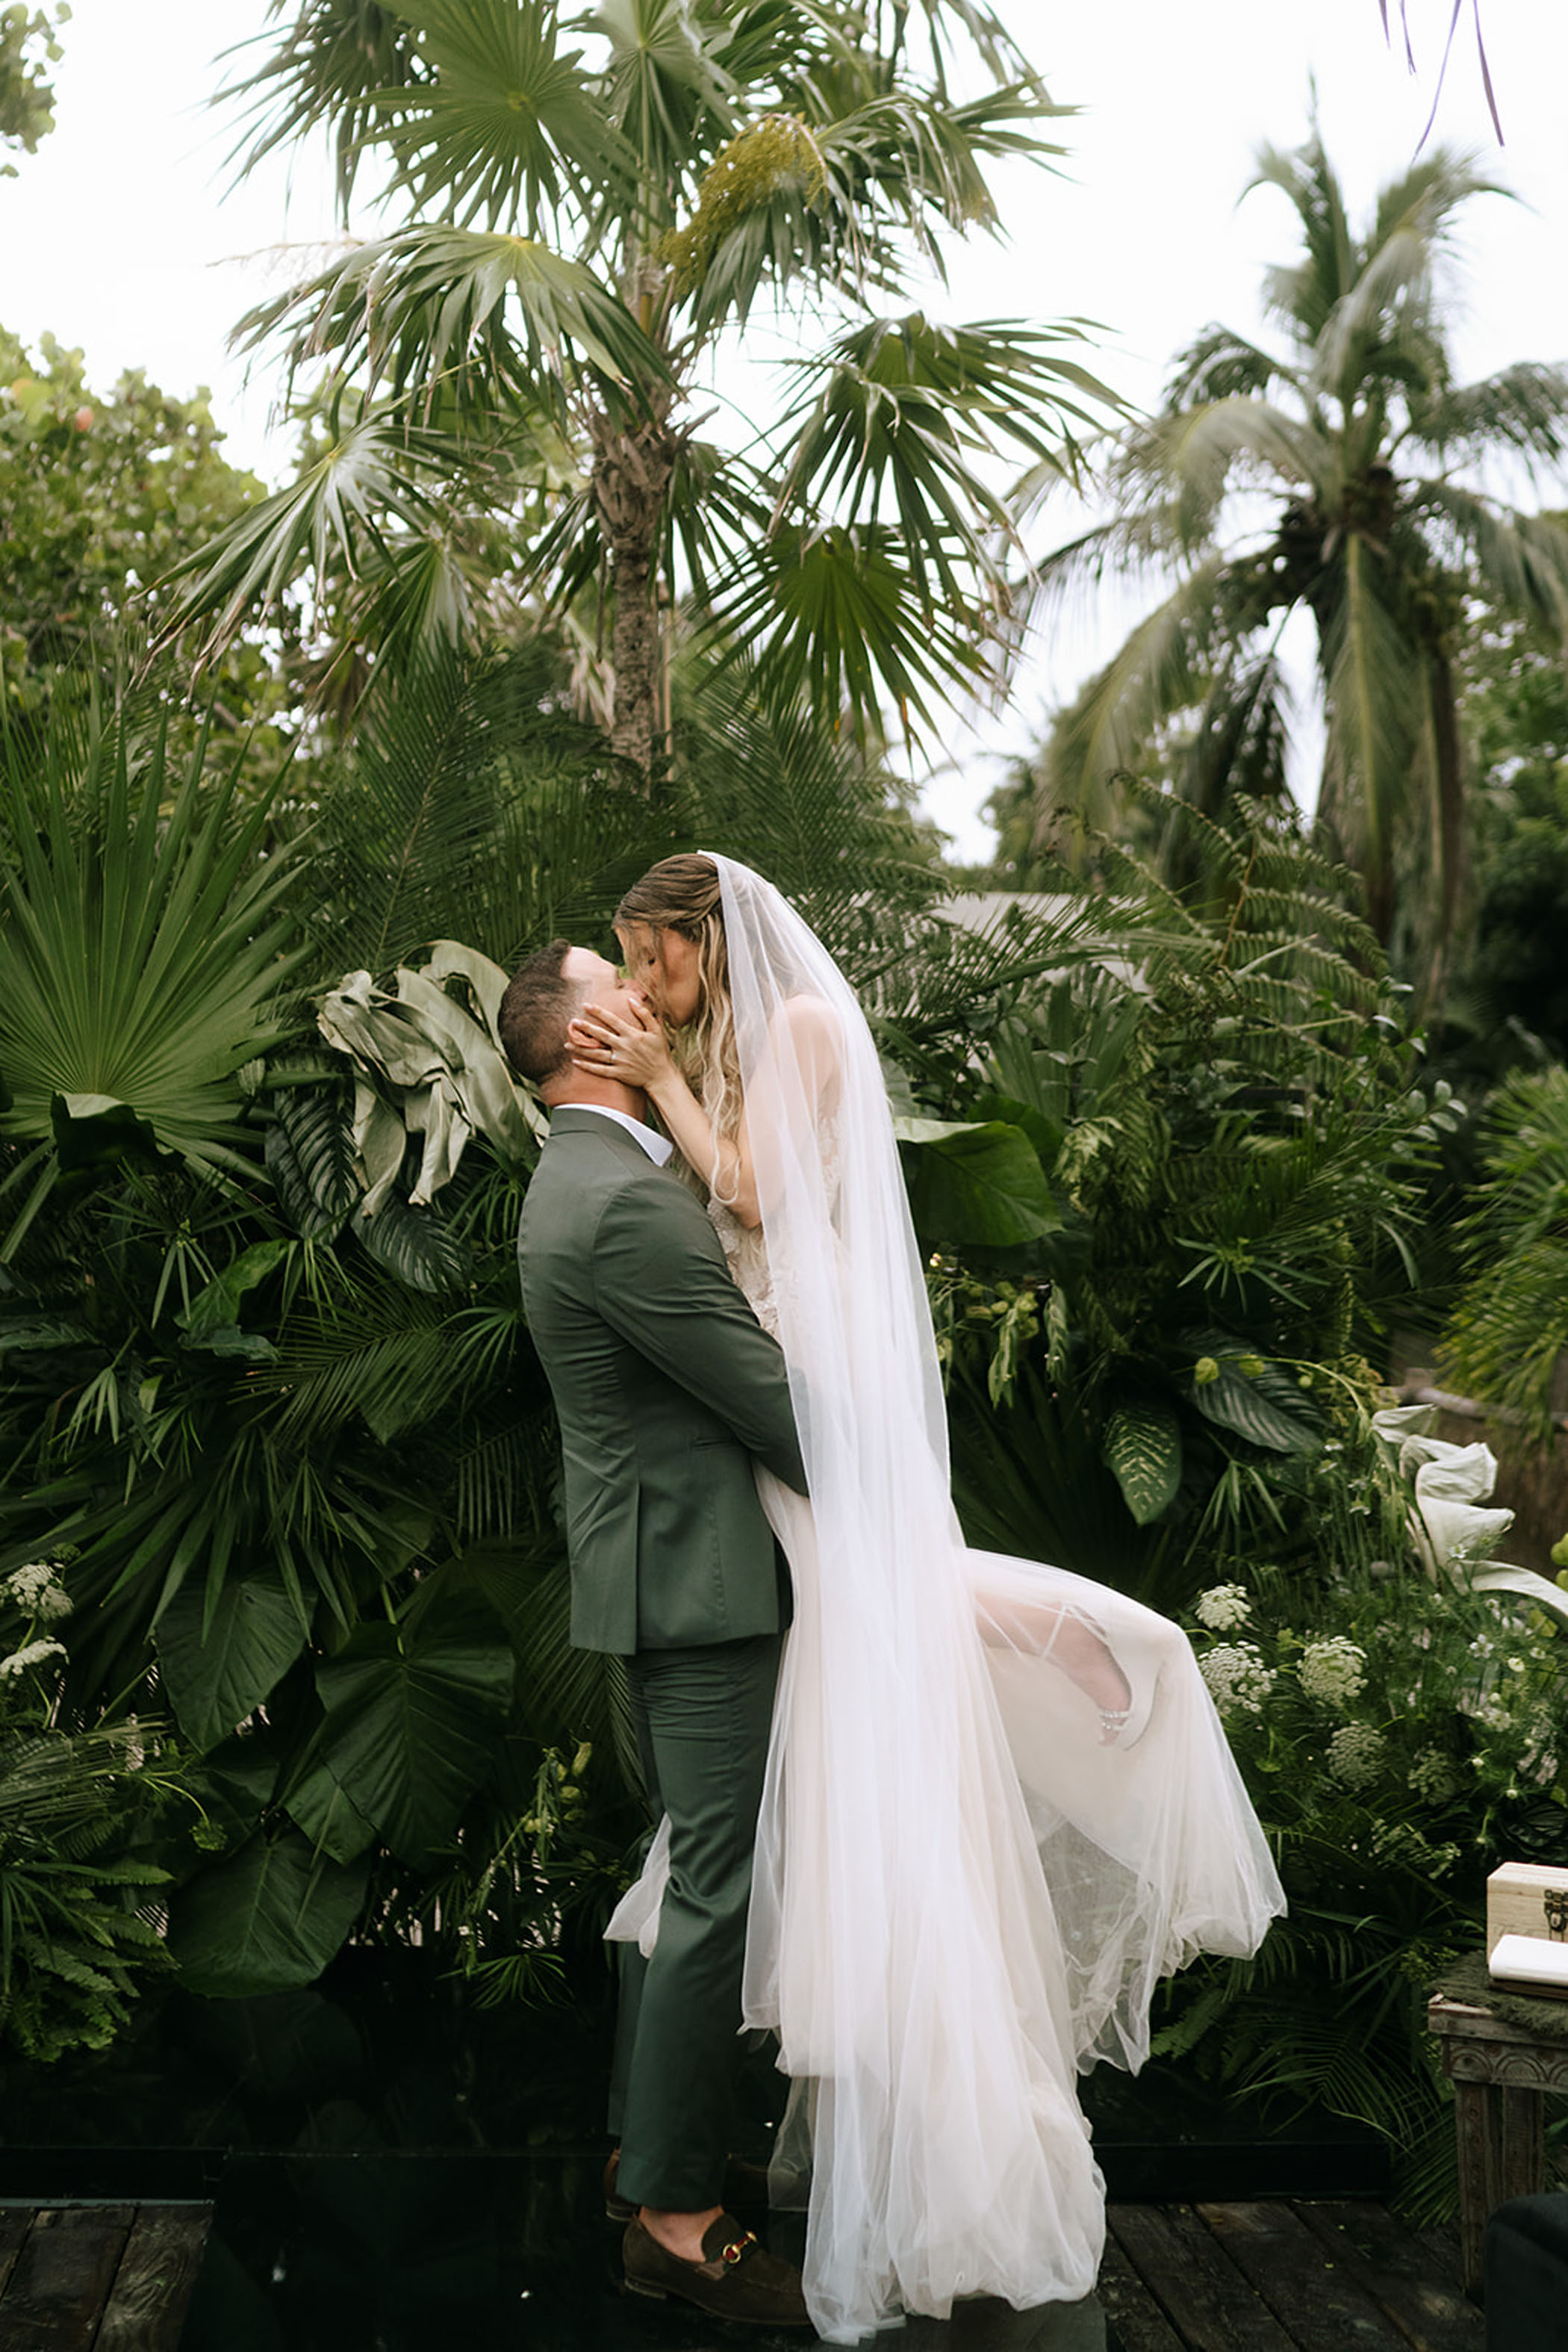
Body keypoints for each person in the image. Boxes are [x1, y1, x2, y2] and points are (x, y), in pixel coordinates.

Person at [567, 855, 1288, 2345]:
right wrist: (642, 1067)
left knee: (885, 1626)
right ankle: (842, 2107)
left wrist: (664, 1077)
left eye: (655, 960)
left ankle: (1092, 1644)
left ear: (709, 934)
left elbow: (752, 1189)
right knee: (863, 1672)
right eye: (628, 968)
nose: (644, 988)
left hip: (813, 1387)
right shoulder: (719, 1043)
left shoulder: (800, 1030)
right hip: (771, 1406)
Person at [500, 941, 816, 2329]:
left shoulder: (597, 1176)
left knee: (685, 1868)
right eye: (615, 981)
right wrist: (895, 1473)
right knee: (712, 1892)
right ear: (584, 1040)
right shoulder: (621, 1203)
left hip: (669, 1572)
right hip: (701, 1584)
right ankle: (678, 2222)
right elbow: (772, 1403)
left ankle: (648, 2155)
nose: (649, 990)